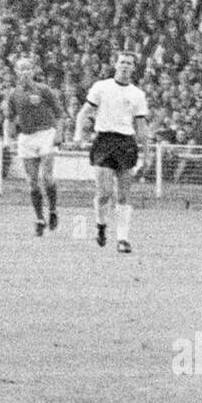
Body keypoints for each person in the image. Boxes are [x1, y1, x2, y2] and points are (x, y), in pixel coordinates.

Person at [74, 52, 150, 253]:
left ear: (134, 68)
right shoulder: (102, 87)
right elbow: (84, 113)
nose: (125, 66)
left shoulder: (137, 94)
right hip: (104, 141)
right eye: (122, 62)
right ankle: (100, 225)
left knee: (124, 194)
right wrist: (78, 135)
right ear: (115, 64)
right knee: (104, 193)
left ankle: (123, 238)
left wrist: (148, 153)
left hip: (126, 142)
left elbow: (141, 126)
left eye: (129, 63)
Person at [2, 56, 66, 235]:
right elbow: (9, 119)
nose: (24, 72)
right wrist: (8, 138)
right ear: (16, 72)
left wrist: (59, 133)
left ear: (33, 71)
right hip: (26, 138)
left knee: (47, 177)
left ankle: (52, 210)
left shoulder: (44, 90)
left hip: (46, 133)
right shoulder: (14, 94)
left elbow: (59, 113)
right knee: (32, 182)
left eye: (27, 68)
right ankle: (39, 218)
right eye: (21, 69)